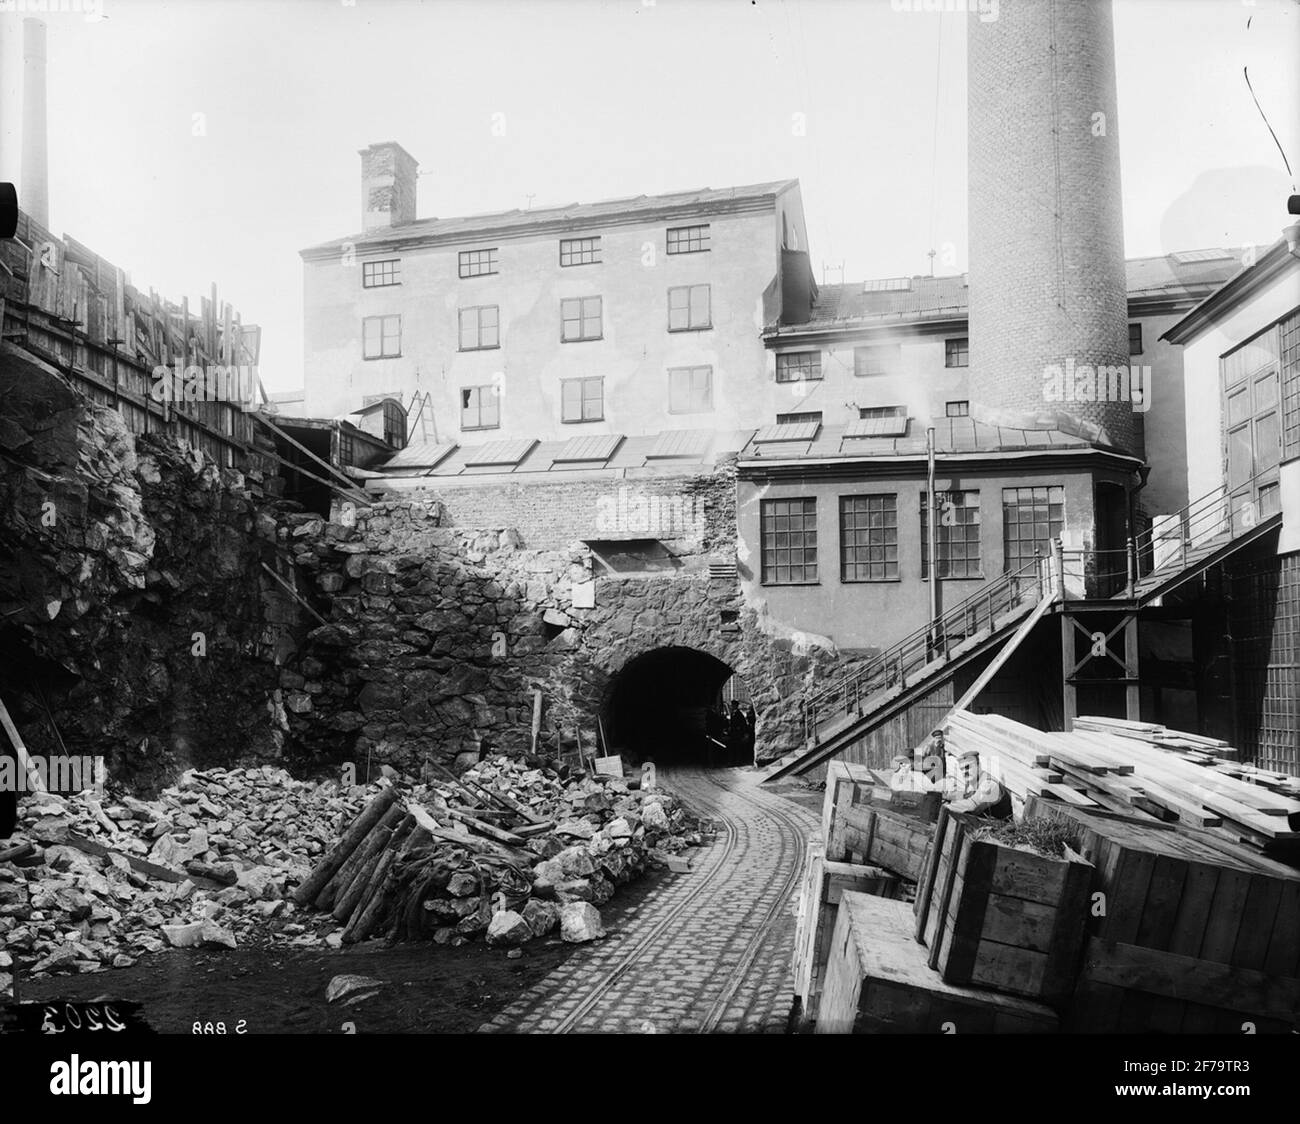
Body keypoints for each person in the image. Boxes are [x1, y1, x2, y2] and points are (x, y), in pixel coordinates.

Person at [944, 749, 1013, 819]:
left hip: (998, 826)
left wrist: (945, 808)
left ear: (978, 766)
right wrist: (947, 796)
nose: (965, 772)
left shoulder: (989, 784)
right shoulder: (974, 782)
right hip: (984, 822)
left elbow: (971, 806)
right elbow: (966, 796)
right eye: (962, 769)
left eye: (968, 767)